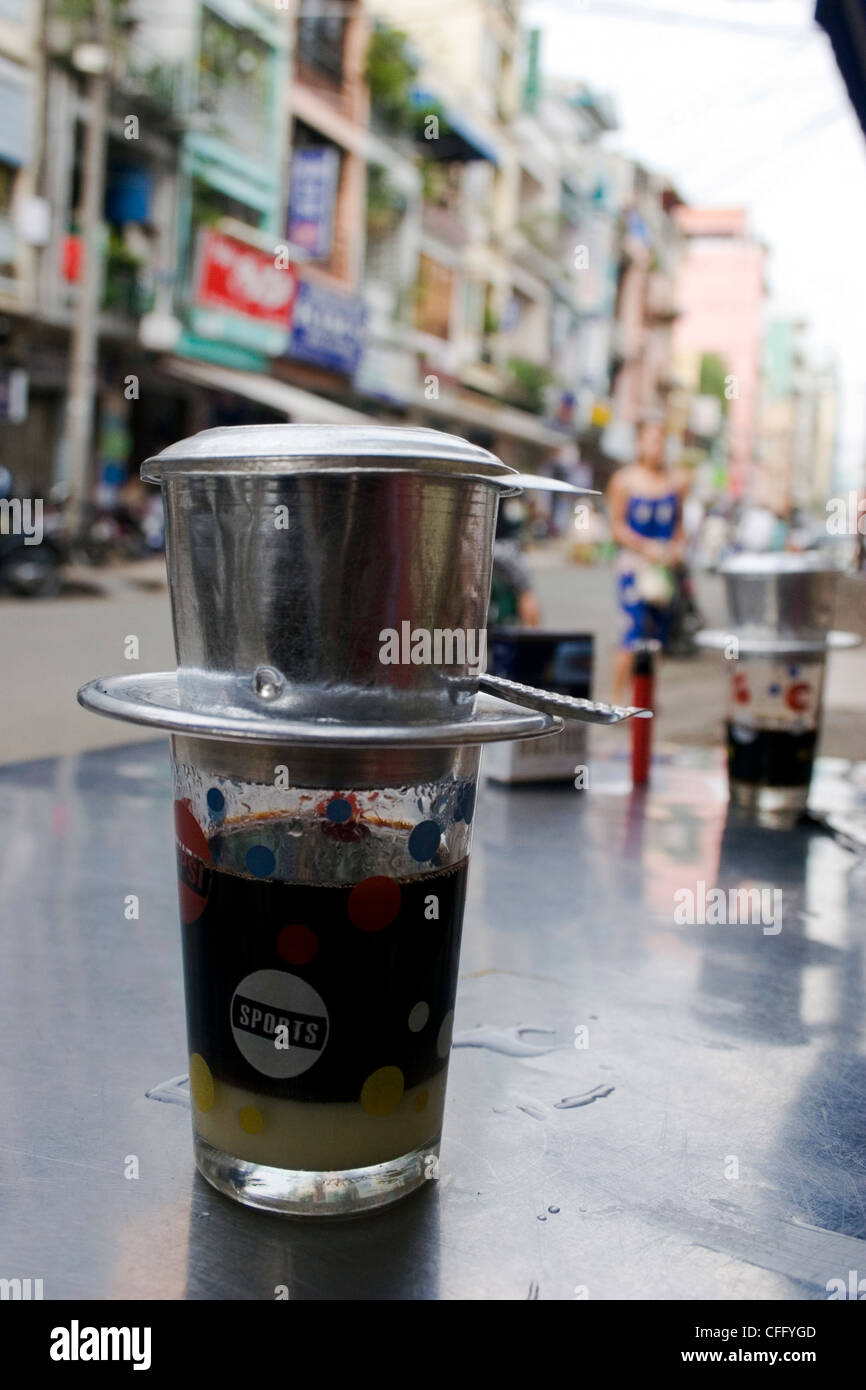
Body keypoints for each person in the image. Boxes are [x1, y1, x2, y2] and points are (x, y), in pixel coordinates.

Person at [606, 412, 690, 704]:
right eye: (652, 439)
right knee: (631, 634)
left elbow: (680, 527)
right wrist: (645, 547)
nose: (657, 446)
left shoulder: (676, 482)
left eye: (661, 439)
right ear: (639, 442)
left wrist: (676, 549)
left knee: (657, 638)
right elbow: (616, 526)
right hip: (634, 568)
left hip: (664, 571)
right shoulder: (624, 481)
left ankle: (645, 698)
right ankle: (618, 697)